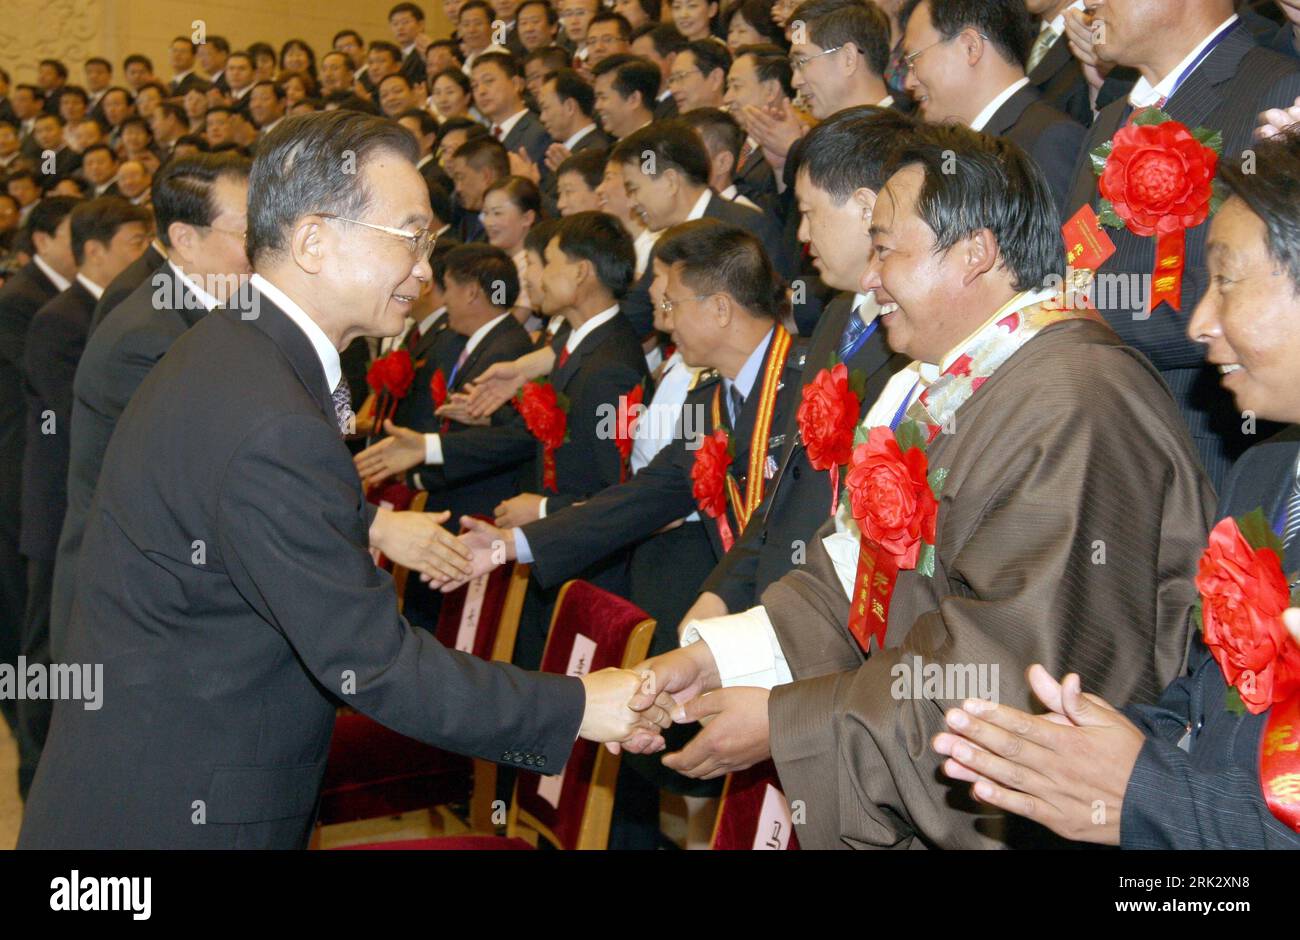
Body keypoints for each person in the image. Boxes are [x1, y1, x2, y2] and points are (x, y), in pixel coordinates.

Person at [18, 112, 671, 849]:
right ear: (313, 241)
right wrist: (580, 704)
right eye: (410, 237)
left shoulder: (235, 350)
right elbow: (375, 663)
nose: (425, 268)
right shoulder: (270, 415)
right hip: (180, 810)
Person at [627, 125, 1215, 849]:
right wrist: (716, 656)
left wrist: (785, 723)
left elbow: (1011, 679)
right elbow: (858, 574)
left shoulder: (1075, 400)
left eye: (886, 248)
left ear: (975, 253)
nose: (868, 278)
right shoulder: (932, 383)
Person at [933, 130, 1300, 850]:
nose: (1198, 324)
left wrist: (1139, 793)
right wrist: (1101, 744)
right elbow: (1209, 702)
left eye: (1225, 281)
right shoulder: (1263, 473)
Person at [684, 106, 911, 631]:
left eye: (809, 213)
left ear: (864, 207)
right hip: (778, 602)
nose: (802, 235)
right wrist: (722, 593)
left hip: (836, 619)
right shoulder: (834, 318)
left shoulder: (913, 339)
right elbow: (785, 483)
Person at [1062, 0, 1300, 490]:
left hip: (1199, 457)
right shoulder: (1110, 118)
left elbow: (1244, 292)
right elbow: (1078, 260)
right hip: (1103, 444)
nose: (1087, 4)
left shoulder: (1275, 89)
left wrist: (1066, 315)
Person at [16, 197, 151, 797]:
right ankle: (37, 776)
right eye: (132, 242)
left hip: (90, 509)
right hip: (56, 513)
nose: (142, 254)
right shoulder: (58, 317)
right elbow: (72, 418)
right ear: (93, 251)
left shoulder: (109, 308)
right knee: (46, 653)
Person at [0, 196, 78, 759]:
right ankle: (35, 756)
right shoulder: (24, 301)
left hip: (43, 480)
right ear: (43, 241)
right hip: (25, 484)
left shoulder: (59, 297)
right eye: (74, 234)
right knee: (34, 627)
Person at [899, 0, 1085, 215]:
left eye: (914, 60)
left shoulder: (1049, 140)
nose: (908, 82)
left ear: (971, 46)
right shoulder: (950, 148)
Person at [592, 54, 660, 139]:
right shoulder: (611, 149)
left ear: (634, 99)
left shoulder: (658, 147)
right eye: (597, 98)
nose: (597, 106)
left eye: (603, 98)